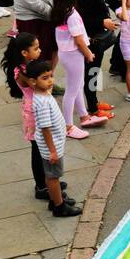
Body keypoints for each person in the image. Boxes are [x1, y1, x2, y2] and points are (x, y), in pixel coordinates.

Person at [2, 31, 75, 204]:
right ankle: (42, 186)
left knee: (40, 150)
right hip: (34, 113)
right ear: (24, 53)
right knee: (38, 150)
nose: (40, 50)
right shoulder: (21, 72)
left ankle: (50, 182)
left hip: (38, 107)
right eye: (36, 48)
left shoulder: (30, 66)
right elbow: (37, 85)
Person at [23, 59, 82, 218]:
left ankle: (54, 199)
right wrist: (52, 151)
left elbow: (52, 119)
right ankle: (59, 206)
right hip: (51, 147)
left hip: (53, 144)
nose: (50, 81)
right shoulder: (41, 102)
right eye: (45, 78)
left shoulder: (43, 94)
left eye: (51, 76)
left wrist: (64, 126)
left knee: (53, 176)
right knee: (53, 177)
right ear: (33, 81)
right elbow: (45, 128)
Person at [52, 0, 105, 136]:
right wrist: (88, 53)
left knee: (77, 85)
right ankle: (68, 126)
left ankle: (84, 116)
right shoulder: (72, 14)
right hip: (74, 53)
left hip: (67, 53)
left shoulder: (61, 10)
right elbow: (79, 39)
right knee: (72, 90)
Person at [68, 0, 118, 119]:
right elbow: (80, 18)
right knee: (91, 72)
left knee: (95, 71)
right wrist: (102, 23)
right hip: (90, 38)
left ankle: (93, 103)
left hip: (97, 37)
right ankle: (92, 109)